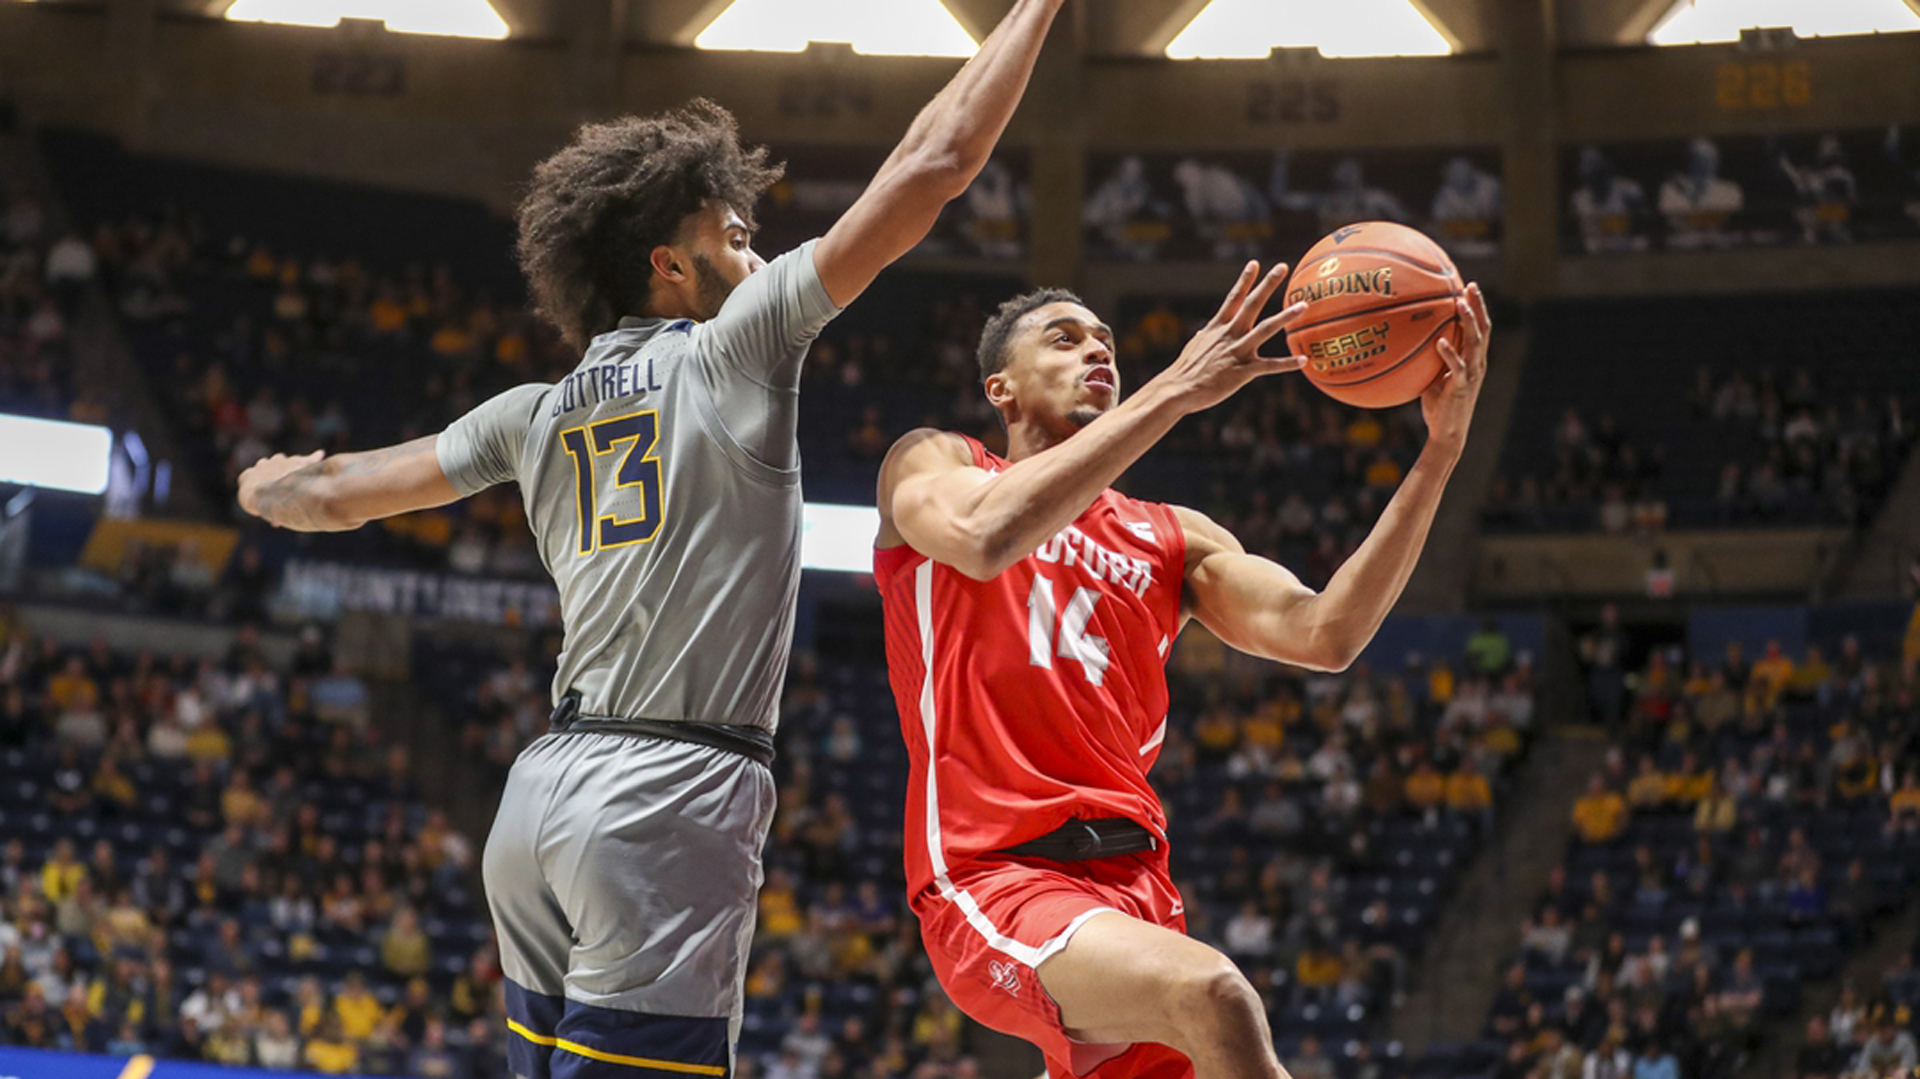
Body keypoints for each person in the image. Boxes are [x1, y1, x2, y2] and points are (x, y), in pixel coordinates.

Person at [235, 1, 1073, 1074]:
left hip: (541, 795)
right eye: (734, 235)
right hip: (672, 793)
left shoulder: (529, 412)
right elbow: (937, 160)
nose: (758, 250)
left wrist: (270, 488)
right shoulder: (735, 348)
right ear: (669, 268)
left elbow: (344, 493)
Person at [873, 268, 1489, 1079]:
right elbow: (985, 537)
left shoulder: (1171, 538)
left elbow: (1326, 631)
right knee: (1215, 994)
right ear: (1002, 388)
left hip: (1139, 887)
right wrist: (1175, 391)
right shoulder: (939, 461)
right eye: (1065, 338)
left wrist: (1440, 454)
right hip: (998, 872)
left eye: (1107, 343)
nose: (1097, 350)